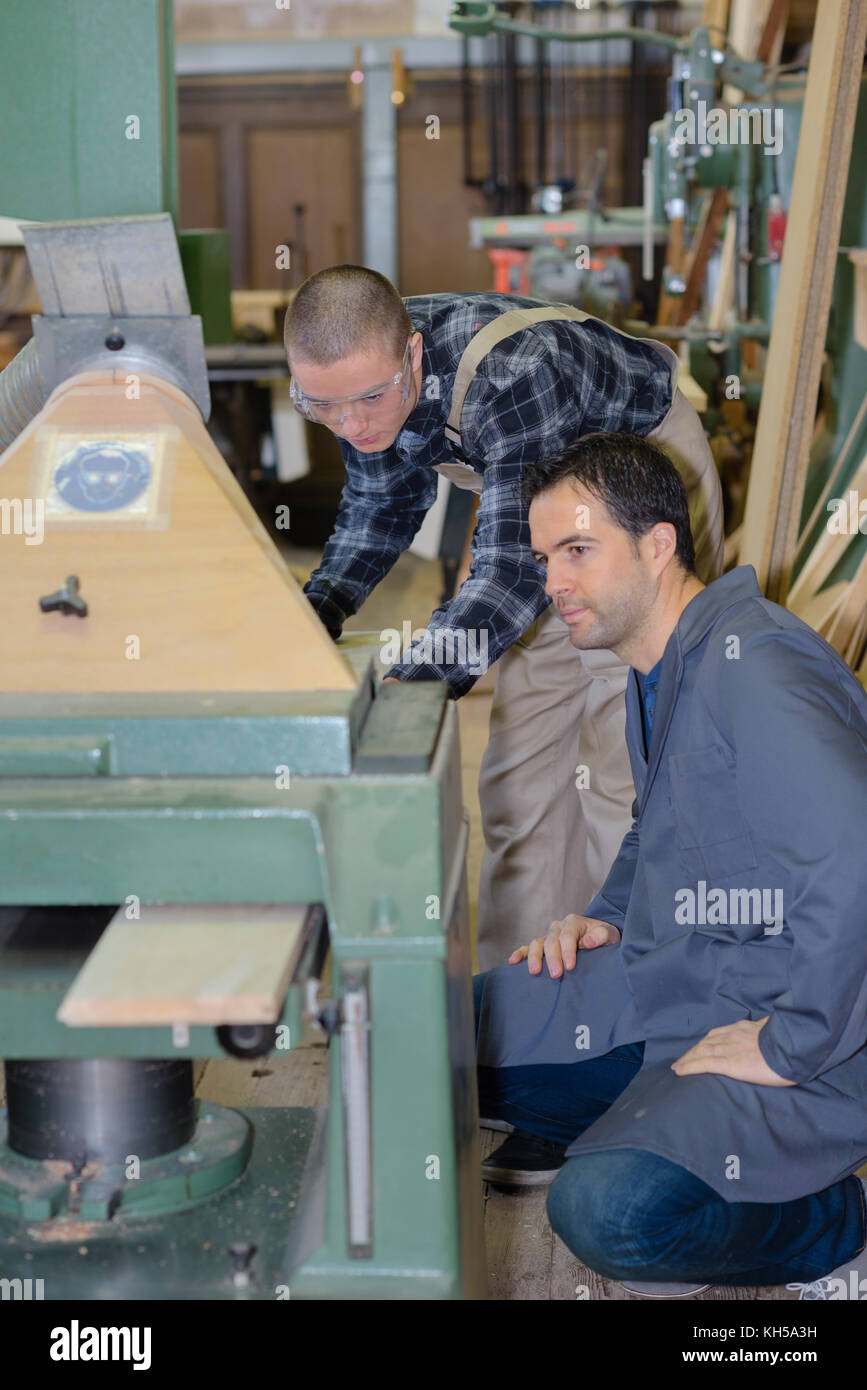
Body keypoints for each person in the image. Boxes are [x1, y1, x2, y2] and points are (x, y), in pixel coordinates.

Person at [474, 431, 867, 1299]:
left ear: (657, 545)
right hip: (676, 977)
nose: (553, 582)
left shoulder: (750, 666)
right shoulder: (659, 666)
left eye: (577, 550)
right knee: (449, 1031)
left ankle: (833, 1232)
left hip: (809, 1023)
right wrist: (607, 911)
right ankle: (638, 1128)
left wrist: (791, 1044)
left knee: (609, 1216)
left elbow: (856, 858)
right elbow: (656, 824)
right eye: (543, 558)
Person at [284, 266, 724, 968]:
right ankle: (522, 1001)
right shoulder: (354, 378)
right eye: (322, 408)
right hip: (537, 502)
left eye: (367, 400)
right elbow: (379, 510)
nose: (351, 425)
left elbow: (513, 574)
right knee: (520, 779)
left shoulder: (514, 372)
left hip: (636, 487)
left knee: (624, 763)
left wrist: (415, 684)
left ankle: (646, 991)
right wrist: (307, 623)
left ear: (413, 356)